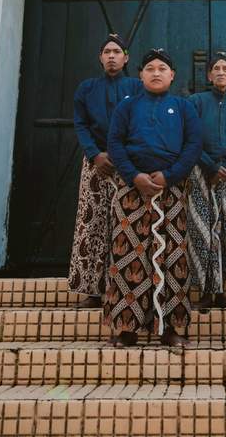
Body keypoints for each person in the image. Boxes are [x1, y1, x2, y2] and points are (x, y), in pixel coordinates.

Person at [104, 48, 201, 347]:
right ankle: (126, 328)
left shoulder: (184, 108)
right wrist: (134, 176)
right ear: (141, 75)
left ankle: (171, 329)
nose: (156, 72)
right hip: (132, 188)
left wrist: (169, 176)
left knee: (172, 257)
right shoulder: (127, 107)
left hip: (170, 189)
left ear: (172, 75)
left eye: (162, 68)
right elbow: (115, 144)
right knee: (127, 257)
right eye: (149, 68)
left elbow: (193, 145)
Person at [67, 33, 142, 307]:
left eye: (117, 51)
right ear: (100, 57)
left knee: (126, 223)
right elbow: (81, 124)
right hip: (96, 165)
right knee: (93, 224)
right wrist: (95, 154)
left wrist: (124, 154)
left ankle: (122, 288)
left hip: (128, 164)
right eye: (107, 51)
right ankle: (93, 291)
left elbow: (140, 122)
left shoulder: (136, 87)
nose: (112, 56)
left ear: (126, 57)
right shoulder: (87, 89)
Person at [187, 51, 226, 310]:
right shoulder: (196, 102)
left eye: (225, 68)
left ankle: (221, 290)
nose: (221, 72)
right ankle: (207, 293)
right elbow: (190, 137)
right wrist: (210, 165)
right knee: (203, 229)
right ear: (209, 75)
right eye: (216, 68)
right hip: (201, 172)